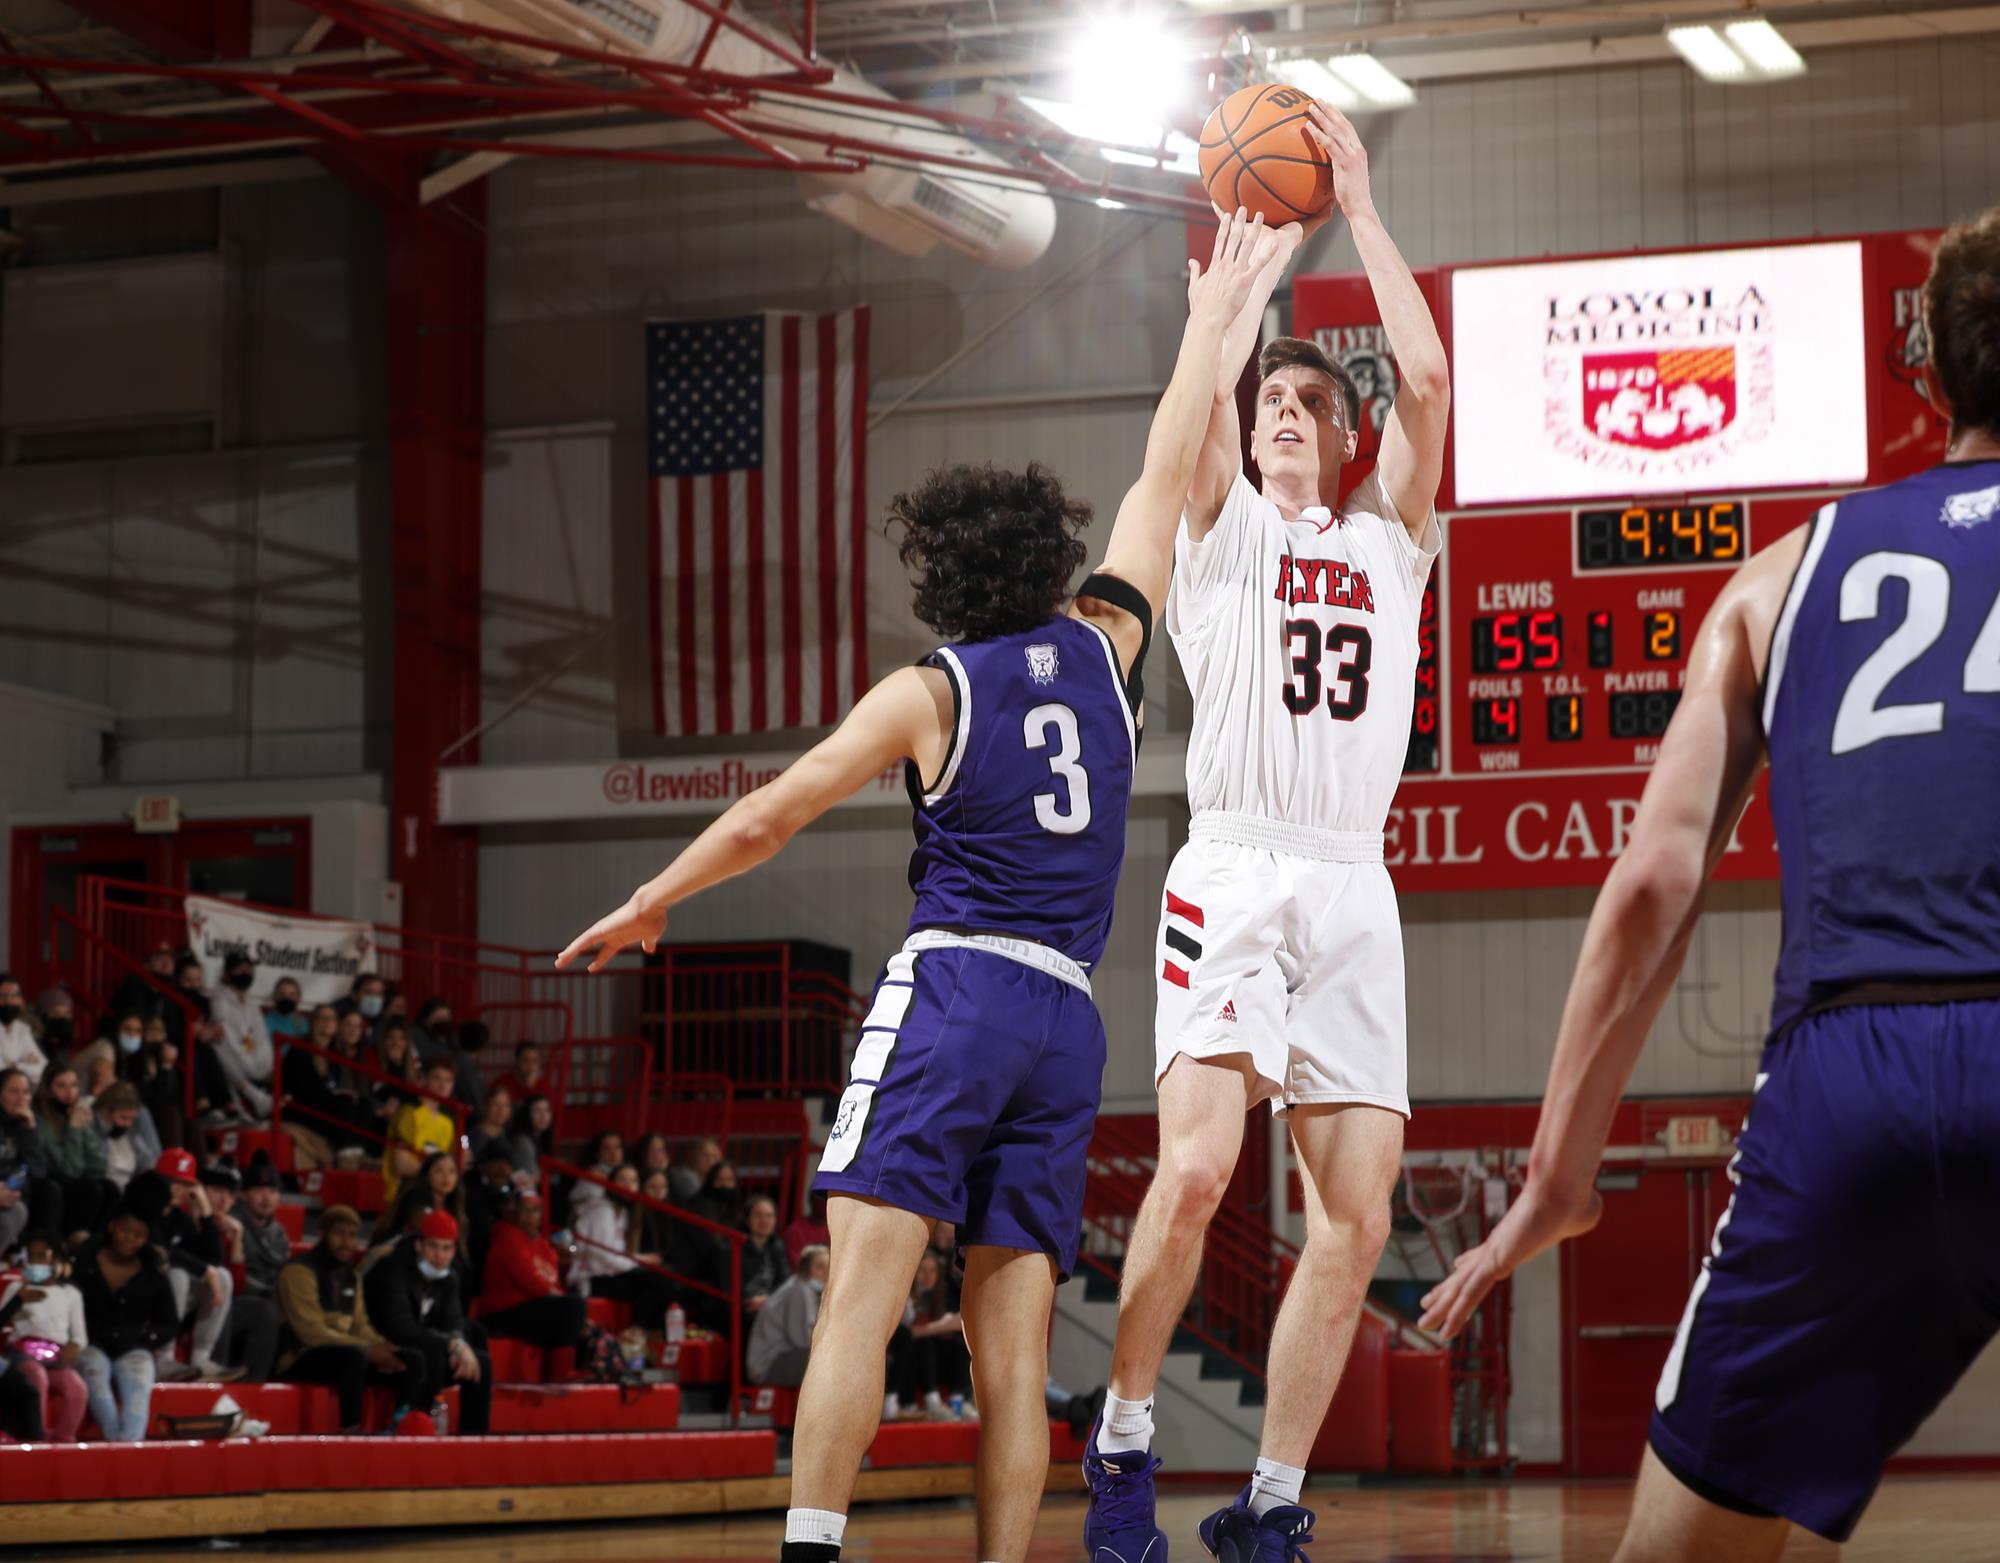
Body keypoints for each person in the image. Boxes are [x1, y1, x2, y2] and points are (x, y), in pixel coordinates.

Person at [557, 211, 1280, 1563]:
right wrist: (1213, 322)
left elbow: (773, 815)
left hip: (957, 987)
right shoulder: (1115, 647)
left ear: (949, 575)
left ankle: (812, 1549)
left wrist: (659, 891)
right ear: (1050, 558)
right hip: (1070, 1025)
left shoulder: (931, 689)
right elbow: (1165, 458)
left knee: (860, 1303)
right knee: (1015, 1349)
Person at [1418, 206, 2000, 1562]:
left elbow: (1650, 882)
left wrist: (1557, 1178)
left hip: (1851, 1072)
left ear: (1927, 373)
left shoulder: (1780, 574)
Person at [1086, 108, 1451, 1563]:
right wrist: (1220, 326)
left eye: (1308, 403)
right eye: (1270, 403)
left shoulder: (1388, 543)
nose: (1285, 414)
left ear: (1344, 437)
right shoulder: (1222, 530)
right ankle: (1122, 1440)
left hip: (1354, 878)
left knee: (1353, 1218)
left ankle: (1274, 1498)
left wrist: (1361, 202)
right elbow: (1186, 436)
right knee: (1192, 1169)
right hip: (1234, 857)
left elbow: (1427, 373)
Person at [275, 1204, 426, 1433]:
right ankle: (351, 1429)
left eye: (353, 1235)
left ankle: (400, 1426)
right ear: (321, 1235)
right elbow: (310, 1331)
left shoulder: (352, 1276)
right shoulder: (298, 1272)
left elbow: (360, 1325)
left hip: (345, 1351)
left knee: (411, 1358)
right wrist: (367, 1349)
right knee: (354, 1357)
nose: (346, 1242)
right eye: (339, 1234)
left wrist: (382, 1346)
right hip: (300, 1355)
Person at [368, 1210, 492, 1434]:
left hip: (426, 1346)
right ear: (419, 1245)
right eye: (433, 1246)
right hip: (388, 1345)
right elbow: (400, 1327)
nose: (439, 1256)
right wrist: (452, 1344)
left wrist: (458, 1344)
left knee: (479, 1362)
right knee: (432, 1352)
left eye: (446, 1249)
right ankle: (420, 1427)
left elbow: (453, 1321)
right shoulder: (393, 1269)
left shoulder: (450, 1277)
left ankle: (474, 1438)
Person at [129, 1152, 241, 1383]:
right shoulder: (140, 1208)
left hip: (164, 1301)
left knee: (223, 1275)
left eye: (186, 1185)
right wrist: (204, 1271)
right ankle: (163, 1356)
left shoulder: (180, 1218)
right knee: (177, 1274)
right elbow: (160, 1251)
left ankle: (201, 1358)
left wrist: (206, 1213)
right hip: (135, 1294)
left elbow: (214, 1259)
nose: (180, 1190)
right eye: (175, 1183)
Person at [74, 1206, 178, 1441]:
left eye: (138, 1234)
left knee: (139, 1395)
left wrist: (144, 1338)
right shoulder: (84, 1263)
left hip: (134, 1347)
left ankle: (127, 1449)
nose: (130, 1238)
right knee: (97, 1382)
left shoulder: (153, 1274)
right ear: (112, 1227)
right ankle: (121, 1448)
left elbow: (168, 1323)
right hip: (90, 1343)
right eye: (125, 1230)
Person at [479, 1188, 589, 1373]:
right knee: (573, 1307)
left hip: (532, 1306)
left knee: (576, 1312)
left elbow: (552, 1283)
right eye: (525, 1210)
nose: (531, 1216)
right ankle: (559, 1377)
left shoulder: (541, 1244)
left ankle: (565, 1376)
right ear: (513, 1213)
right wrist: (564, 1302)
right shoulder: (507, 1236)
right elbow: (530, 1281)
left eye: (536, 1210)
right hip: (503, 1312)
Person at [0, 1234, 89, 1440]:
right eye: (31, 1257)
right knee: (35, 1377)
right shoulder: (17, 1289)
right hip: (22, 1355)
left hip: (56, 1358)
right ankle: (35, 1436)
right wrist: (17, 1302)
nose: (35, 1262)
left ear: (57, 1260)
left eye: (42, 1256)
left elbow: (79, 1336)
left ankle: (64, 1439)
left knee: (76, 1386)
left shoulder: (70, 1293)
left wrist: (74, 1346)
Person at [572, 1163, 683, 1328]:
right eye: (622, 1180)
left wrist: (640, 1258)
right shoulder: (603, 1211)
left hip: (613, 1271)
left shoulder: (622, 1212)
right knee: (657, 1283)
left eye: (633, 1181)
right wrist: (639, 1261)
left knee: (664, 1279)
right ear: (611, 1183)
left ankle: (647, 1333)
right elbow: (604, 1258)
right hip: (594, 1278)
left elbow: (616, 1253)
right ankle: (638, 1332)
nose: (628, 1186)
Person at [886, 1247, 972, 1423]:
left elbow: (949, 1324)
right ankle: (926, 1400)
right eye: (922, 1271)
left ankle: (958, 1399)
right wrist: (939, 1326)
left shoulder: (939, 1293)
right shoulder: (903, 1293)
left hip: (927, 1354)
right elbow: (906, 1330)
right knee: (922, 1343)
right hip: (901, 1347)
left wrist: (942, 1327)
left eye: (933, 1270)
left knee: (957, 1343)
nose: (928, 1276)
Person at [35, 1065, 117, 1246]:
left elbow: (99, 1166)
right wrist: (74, 1130)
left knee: (109, 1187)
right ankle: (74, 1244)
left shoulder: (76, 1112)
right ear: (48, 1091)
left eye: (73, 1085)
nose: (69, 1092)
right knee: (90, 1188)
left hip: (73, 1181)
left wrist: (85, 1129)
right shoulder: (40, 1121)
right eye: (61, 1086)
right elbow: (69, 1171)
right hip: (52, 1182)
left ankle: (98, 1245)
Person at [230, 1154, 291, 1380]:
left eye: (273, 1191)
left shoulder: (279, 1234)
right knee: (267, 1313)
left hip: (269, 1301)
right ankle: (251, 1385)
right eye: (259, 1191)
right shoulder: (233, 1223)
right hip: (236, 1300)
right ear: (244, 1195)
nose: (266, 1198)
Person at [747, 1244, 828, 1390]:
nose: (825, 1272)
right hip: (769, 1362)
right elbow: (802, 1340)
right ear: (806, 1269)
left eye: (828, 1267)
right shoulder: (801, 1289)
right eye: (819, 1266)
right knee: (833, 1360)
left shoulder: (807, 1289)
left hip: (786, 1354)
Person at [208, 953, 275, 1122]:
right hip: (233, 1063)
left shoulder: (251, 1003)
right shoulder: (219, 1001)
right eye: (240, 969)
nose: (246, 973)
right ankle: (246, 1097)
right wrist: (251, 1069)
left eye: (249, 969)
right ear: (227, 974)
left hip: (253, 1062)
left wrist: (264, 1067)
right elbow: (227, 1042)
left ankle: (257, 1096)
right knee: (219, 1050)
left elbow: (261, 1038)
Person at [381, 1059, 459, 1201]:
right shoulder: (409, 1112)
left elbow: (451, 1161)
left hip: (433, 1190)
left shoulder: (448, 1121)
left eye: (448, 1081)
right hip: (404, 1191)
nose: (443, 1085)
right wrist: (438, 1171)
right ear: (424, 1079)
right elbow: (401, 1166)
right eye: (437, 1078)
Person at [0, 1066, 50, 1254]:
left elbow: (38, 1172)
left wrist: (29, 1129)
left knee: (44, 1190)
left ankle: (38, 1253)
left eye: (26, 1092)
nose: (22, 1099)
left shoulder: (23, 1123)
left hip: (7, 1194)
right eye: (14, 1092)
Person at [90, 1082, 162, 1194]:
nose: (128, 1124)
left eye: (131, 1119)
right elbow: (95, 1167)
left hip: (127, 1186)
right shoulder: (90, 1126)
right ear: (106, 1111)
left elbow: (147, 1164)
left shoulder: (130, 1132)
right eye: (123, 1118)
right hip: (103, 1187)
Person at [740, 1194, 788, 1317]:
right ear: (747, 1219)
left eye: (769, 1216)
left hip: (771, 1303)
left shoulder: (777, 1245)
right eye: (758, 1215)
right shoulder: (734, 1247)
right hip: (745, 1308)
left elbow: (784, 1281)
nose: (764, 1221)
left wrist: (768, 1299)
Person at [0, 976, 48, 1087]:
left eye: (14, 996)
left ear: (21, 1000)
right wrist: (26, 1063)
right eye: (2, 996)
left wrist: (16, 1067)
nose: (8, 1001)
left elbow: (44, 1068)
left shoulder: (22, 1029)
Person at [467, 1085, 516, 1170]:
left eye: (505, 1105)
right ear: (485, 1106)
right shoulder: (476, 1136)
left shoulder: (507, 1134)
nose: (501, 1110)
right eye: (496, 1104)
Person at [492, 1041, 550, 1107]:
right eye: (525, 1061)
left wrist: (530, 1087)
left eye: (535, 1061)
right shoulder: (503, 1083)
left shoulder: (544, 1086)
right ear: (517, 1062)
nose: (530, 1066)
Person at [669, 1135, 721, 1205]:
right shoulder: (686, 1177)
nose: (710, 1161)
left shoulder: (719, 1183)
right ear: (695, 1157)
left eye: (714, 1156)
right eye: (705, 1155)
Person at [33, 989, 76, 1068]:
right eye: (55, 1013)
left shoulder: (63, 1043)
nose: (62, 1018)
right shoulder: (32, 1041)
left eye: (67, 1013)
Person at [265, 978, 309, 1042]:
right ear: (274, 996)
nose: (286, 998)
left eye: (292, 995)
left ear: (298, 998)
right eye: (281, 994)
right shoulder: (265, 1021)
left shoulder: (303, 1024)